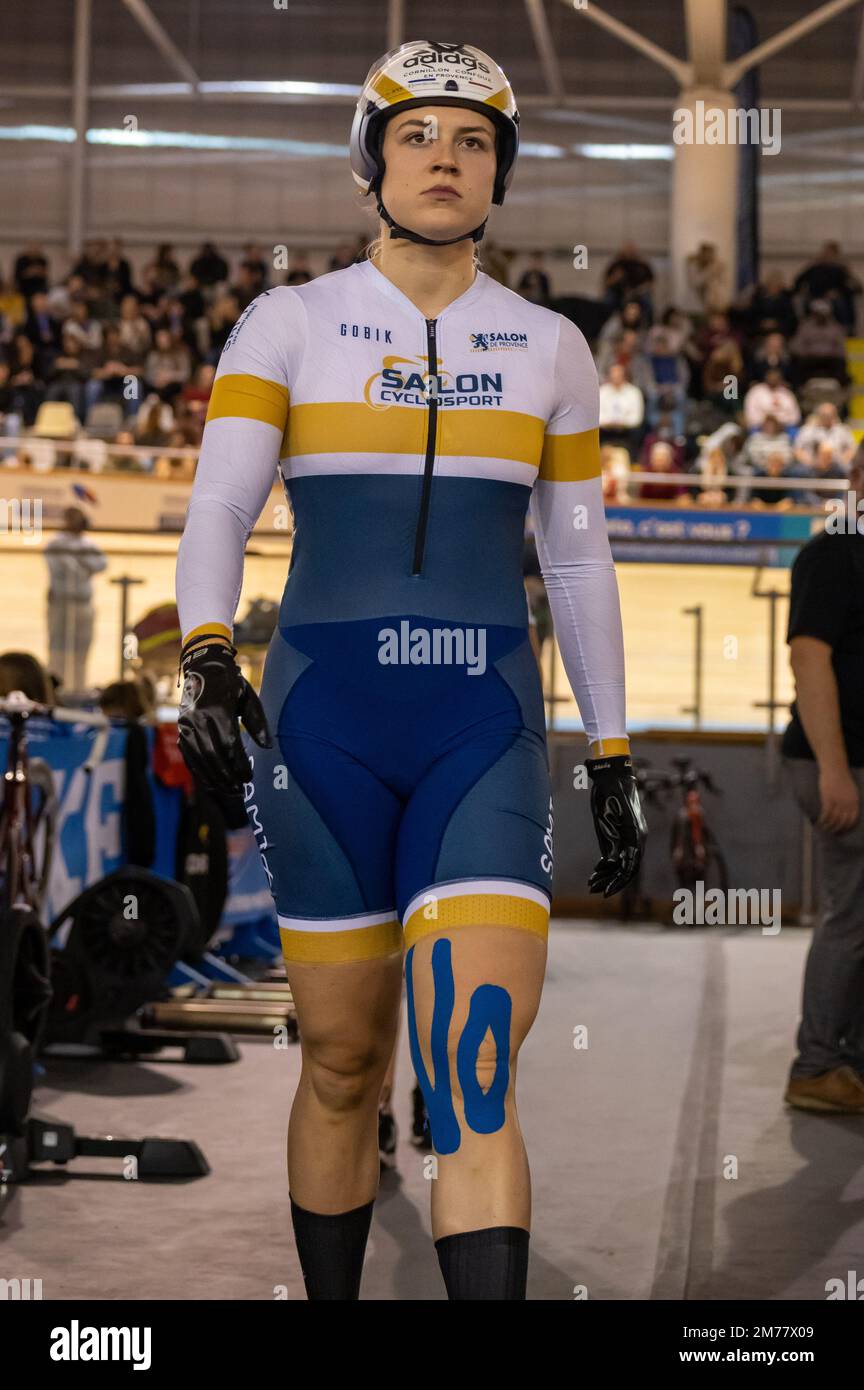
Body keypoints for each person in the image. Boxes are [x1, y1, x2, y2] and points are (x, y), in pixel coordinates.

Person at [175, 37, 645, 1303]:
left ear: (500, 175)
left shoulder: (549, 344)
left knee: (474, 1065)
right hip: (320, 725)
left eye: (475, 138)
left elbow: (582, 563)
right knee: (339, 1062)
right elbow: (219, 505)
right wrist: (207, 652)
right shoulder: (289, 319)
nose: (447, 156)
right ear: (372, 162)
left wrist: (611, 749)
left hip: (479, 725)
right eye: (420, 133)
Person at [782, 446, 864, 1112]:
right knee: (851, 917)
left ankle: (847, 1061)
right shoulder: (834, 555)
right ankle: (816, 1067)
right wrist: (836, 772)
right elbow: (809, 661)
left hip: (849, 764)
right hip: (839, 767)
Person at [43, 506, 107, 696]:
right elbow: (63, 568)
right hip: (61, 602)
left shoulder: (88, 543)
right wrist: (80, 563)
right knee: (57, 646)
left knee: (82, 646)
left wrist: (79, 561)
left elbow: (100, 564)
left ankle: (79, 687)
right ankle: (56, 687)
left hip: (82, 602)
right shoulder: (55, 543)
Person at [794, 402, 856, 472]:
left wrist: (843, 460)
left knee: (849, 469)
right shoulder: (806, 430)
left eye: (830, 415)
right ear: (818, 415)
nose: (827, 417)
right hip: (810, 465)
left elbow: (852, 449)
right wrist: (809, 462)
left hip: (837, 465)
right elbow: (797, 450)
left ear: (835, 415)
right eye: (824, 415)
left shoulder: (843, 430)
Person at [598, 362, 644, 455]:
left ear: (625, 376)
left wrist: (622, 423)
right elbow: (597, 417)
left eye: (619, 375)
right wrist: (610, 422)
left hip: (627, 433)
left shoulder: (634, 392)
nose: (616, 378)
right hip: (605, 432)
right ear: (609, 376)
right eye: (613, 375)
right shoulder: (602, 391)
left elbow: (636, 418)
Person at [743, 366, 801, 431]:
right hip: (760, 426)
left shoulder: (787, 393)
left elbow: (795, 416)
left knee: (795, 432)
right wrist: (766, 422)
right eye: (771, 376)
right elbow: (750, 414)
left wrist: (780, 422)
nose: (773, 378)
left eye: (776, 376)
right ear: (766, 377)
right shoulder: (755, 392)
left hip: (784, 427)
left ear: (780, 378)